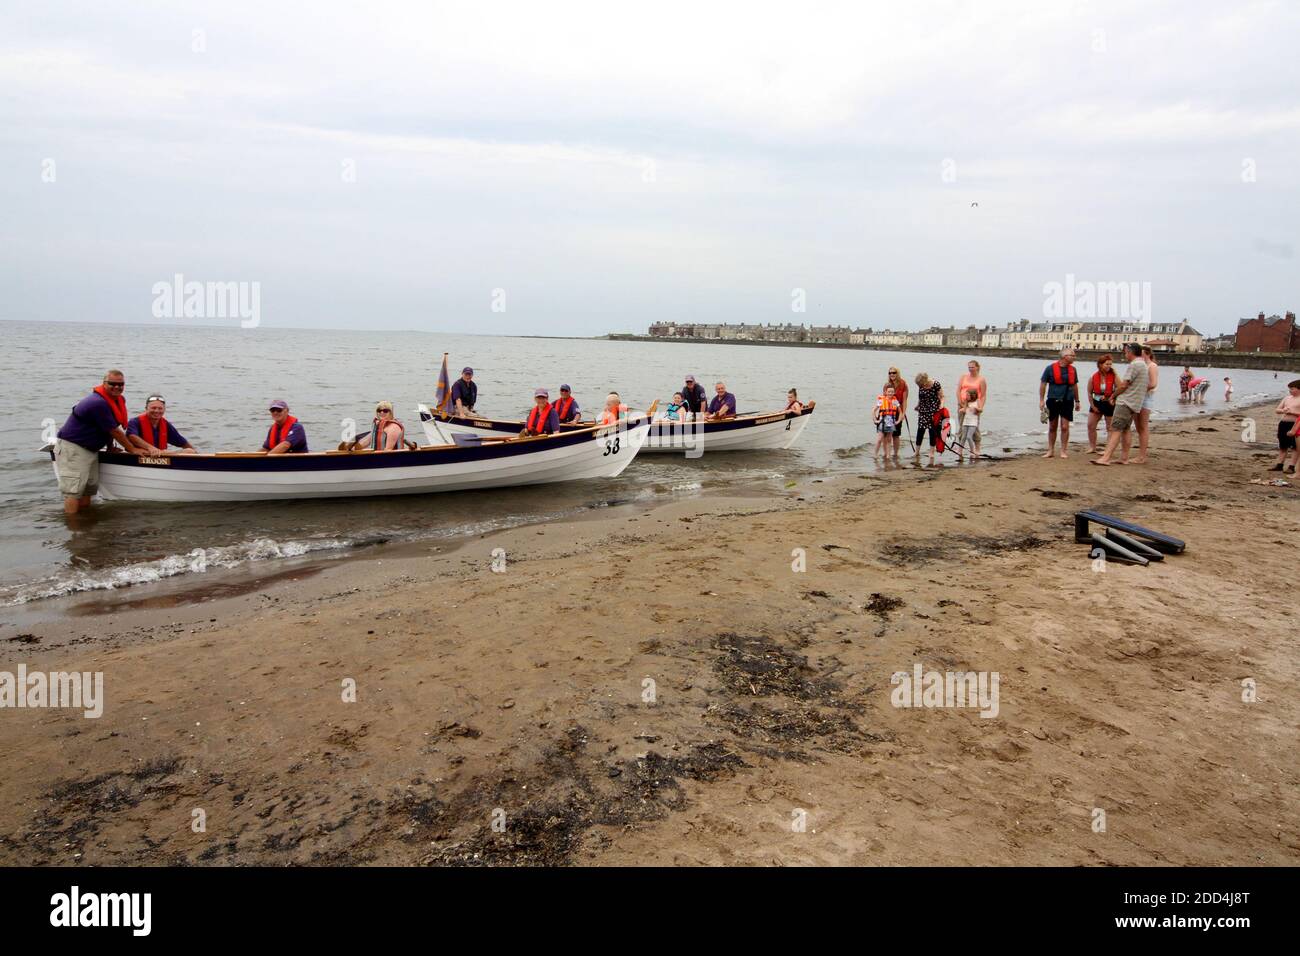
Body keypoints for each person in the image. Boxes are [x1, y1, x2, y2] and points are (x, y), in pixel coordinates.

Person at [54, 369, 147, 514]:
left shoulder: (117, 401)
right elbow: (115, 431)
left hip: (91, 450)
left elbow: (110, 426)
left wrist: (110, 446)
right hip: (74, 448)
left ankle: (85, 521)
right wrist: (132, 449)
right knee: (73, 490)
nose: (117, 387)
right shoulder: (97, 403)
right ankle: (73, 526)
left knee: (88, 488)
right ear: (104, 384)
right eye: (112, 384)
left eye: (120, 384)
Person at [1092, 343, 1148, 466]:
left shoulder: (1134, 365)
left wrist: (1113, 396)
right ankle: (1124, 458)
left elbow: (1124, 385)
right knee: (1126, 429)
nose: (1125, 354)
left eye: (1126, 351)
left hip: (1126, 402)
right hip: (1135, 402)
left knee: (1115, 429)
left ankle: (1106, 458)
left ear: (1130, 352)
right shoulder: (1143, 364)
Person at [1039, 348, 1081, 459]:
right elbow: (1043, 384)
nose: (1074, 357)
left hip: (1067, 400)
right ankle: (1050, 450)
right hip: (1053, 400)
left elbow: (1075, 386)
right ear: (1064, 356)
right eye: (1072, 355)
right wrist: (1041, 400)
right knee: (1052, 426)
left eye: (1074, 355)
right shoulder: (1050, 369)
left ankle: (1063, 450)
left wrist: (1077, 401)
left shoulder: (1073, 370)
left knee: (1065, 427)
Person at [126, 394, 197, 455]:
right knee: (189, 451)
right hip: (142, 456)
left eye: (160, 408)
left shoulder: (165, 424)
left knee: (190, 451)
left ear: (164, 410)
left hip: (161, 456)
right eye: (153, 408)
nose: (157, 411)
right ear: (146, 408)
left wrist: (198, 455)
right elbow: (132, 436)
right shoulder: (135, 422)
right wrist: (151, 448)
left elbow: (182, 442)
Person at [1086, 354, 1118, 454]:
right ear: (1100, 365)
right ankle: (1092, 447)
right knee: (1091, 425)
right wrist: (1092, 405)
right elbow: (1089, 392)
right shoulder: (1093, 377)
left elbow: (1120, 388)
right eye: (1106, 364)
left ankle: (1108, 449)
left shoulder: (1114, 376)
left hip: (1109, 403)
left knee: (1110, 427)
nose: (1109, 366)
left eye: (1110, 364)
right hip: (1097, 402)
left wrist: (1113, 397)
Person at [955, 360, 987, 457]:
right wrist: (960, 402)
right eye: (969, 367)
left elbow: (983, 395)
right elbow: (958, 390)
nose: (970, 369)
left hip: (974, 406)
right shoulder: (963, 377)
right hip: (962, 404)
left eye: (972, 367)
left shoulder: (981, 379)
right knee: (962, 426)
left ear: (977, 367)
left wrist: (980, 407)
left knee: (974, 427)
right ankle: (960, 449)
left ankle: (977, 448)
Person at [912, 372, 943, 466]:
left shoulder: (936, 384)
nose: (921, 386)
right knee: (920, 430)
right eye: (919, 385)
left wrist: (941, 407)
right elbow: (921, 397)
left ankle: (932, 452)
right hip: (923, 410)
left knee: (932, 431)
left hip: (934, 410)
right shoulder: (921, 385)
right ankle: (916, 452)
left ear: (925, 380)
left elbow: (941, 397)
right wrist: (917, 406)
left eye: (922, 384)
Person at [1271, 380, 1300, 473]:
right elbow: (1277, 410)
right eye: (1289, 389)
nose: (1290, 391)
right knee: (1282, 445)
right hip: (1283, 423)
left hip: (1295, 424)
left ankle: (1292, 467)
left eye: (1292, 389)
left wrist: (1292, 412)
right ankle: (1280, 464)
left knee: (1295, 447)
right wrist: (1283, 410)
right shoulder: (1287, 398)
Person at [1136, 346, 1159, 464]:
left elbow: (1153, 383)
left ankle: (1142, 456)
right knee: (1138, 427)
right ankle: (1140, 455)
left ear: (1148, 354)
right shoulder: (1142, 365)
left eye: (1142, 354)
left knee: (1143, 427)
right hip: (1139, 397)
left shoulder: (1152, 366)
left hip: (1146, 397)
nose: (1141, 356)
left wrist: (1138, 389)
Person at [884, 367, 909, 457]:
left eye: (894, 373)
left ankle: (895, 454)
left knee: (896, 434)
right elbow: (884, 399)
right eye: (890, 373)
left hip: (898, 411)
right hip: (888, 412)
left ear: (897, 373)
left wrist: (903, 413)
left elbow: (905, 400)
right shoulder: (887, 385)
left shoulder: (903, 384)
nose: (892, 374)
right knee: (886, 434)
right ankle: (887, 453)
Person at [873, 385, 901, 458]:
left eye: (892, 392)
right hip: (882, 421)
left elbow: (900, 412)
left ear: (894, 392)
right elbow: (874, 410)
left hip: (891, 422)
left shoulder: (895, 401)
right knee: (880, 439)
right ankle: (875, 454)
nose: (890, 393)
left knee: (889, 439)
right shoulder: (881, 400)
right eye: (889, 392)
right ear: (885, 392)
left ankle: (888, 455)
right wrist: (875, 419)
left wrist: (898, 421)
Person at [955, 389, 980, 462]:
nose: (966, 396)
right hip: (966, 421)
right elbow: (965, 409)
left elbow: (980, 410)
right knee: (963, 437)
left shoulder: (977, 401)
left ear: (972, 395)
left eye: (968, 395)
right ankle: (960, 450)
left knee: (969, 437)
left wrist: (977, 409)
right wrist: (962, 410)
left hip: (973, 422)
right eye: (966, 395)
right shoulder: (966, 401)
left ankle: (972, 451)